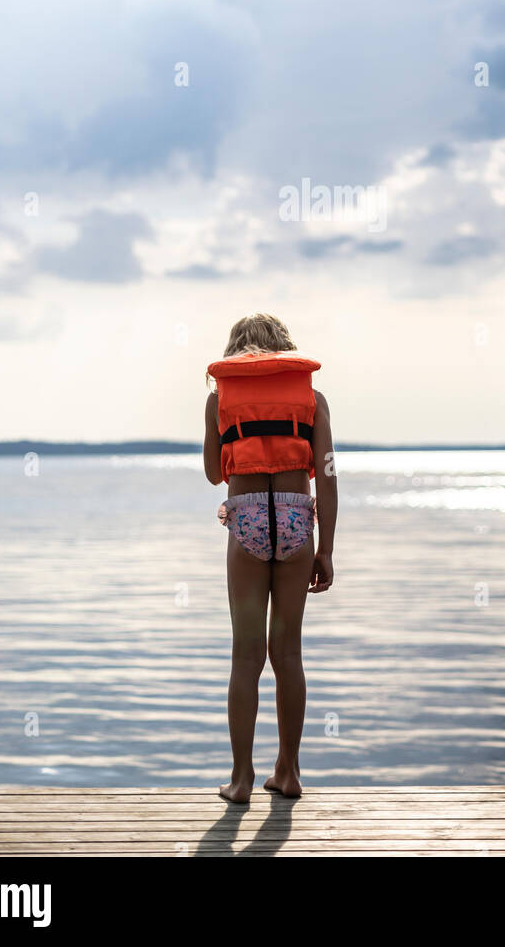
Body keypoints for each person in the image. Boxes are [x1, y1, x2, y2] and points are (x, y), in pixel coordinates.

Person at [204, 312, 336, 803]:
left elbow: (213, 472)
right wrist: (326, 548)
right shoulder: (314, 400)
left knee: (246, 656)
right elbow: (327, 476)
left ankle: (240, 780)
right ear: (285, 350)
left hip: (248, 521)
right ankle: (290, 771)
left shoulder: (219, 399)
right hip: (300, 520)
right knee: (288, 654)